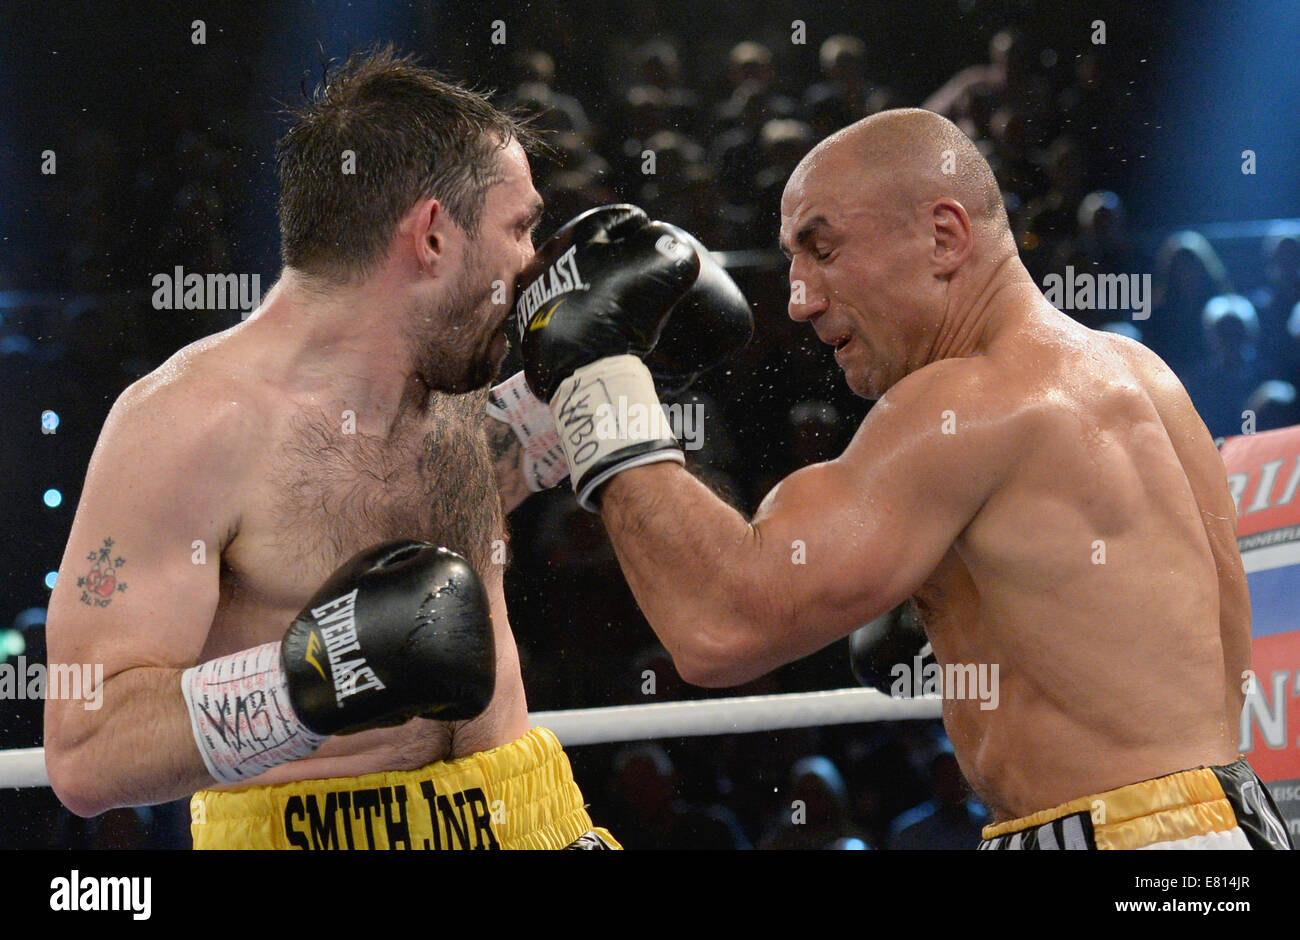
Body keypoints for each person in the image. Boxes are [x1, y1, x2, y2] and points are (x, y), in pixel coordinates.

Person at [514, 108, 1292, 850]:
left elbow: (721, 620)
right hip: (1229, 819)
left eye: (822, 250)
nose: (798, 299)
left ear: (945, 235)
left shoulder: (970, 401)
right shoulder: (1140, 373)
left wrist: (595, 374)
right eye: (789, 259)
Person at [42, 46, 620, 850]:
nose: (533, 261)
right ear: (431, 236)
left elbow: (440, 500)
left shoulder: (448, 376)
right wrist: (306, 685)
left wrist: (611, 366)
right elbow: (87, 751)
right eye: (519, 228)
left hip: (528, 814)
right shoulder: (188, 424)